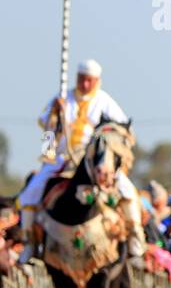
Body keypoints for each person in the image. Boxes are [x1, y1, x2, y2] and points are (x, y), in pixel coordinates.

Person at [16, 58, 144, 263]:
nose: (85, 85)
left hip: (94, 160)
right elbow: (48, 132)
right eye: (82, 80)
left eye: (89, 81)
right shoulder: (62, 97)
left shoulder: (104, 101)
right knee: (30, 192)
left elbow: (124, 131)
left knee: (128, 190)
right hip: (63, 158)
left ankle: (135, 245)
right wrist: (54, 117)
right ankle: (29, 244)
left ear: (97, 81)